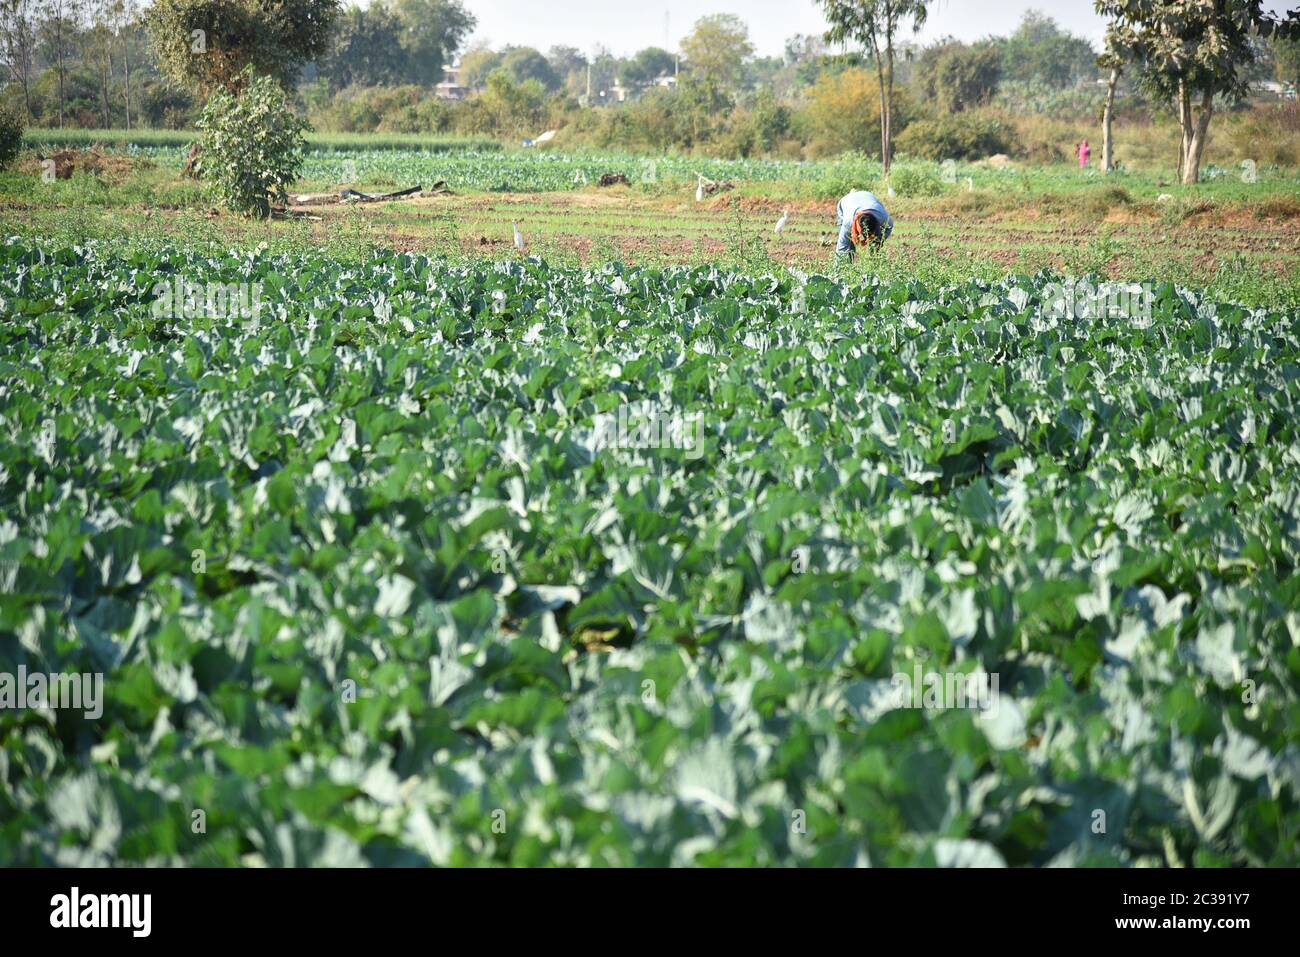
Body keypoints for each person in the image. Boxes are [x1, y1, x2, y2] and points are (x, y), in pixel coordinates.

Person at [835, 189, 894, 260]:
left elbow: (888, 229)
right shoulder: (848, 222)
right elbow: (842, 246)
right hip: (846, 202)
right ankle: (845, 268)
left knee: (875, 247)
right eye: (865, 234)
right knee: (847, 249)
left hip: (867, 196)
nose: (866, 238)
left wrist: (878, 243)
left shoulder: (884, 218)